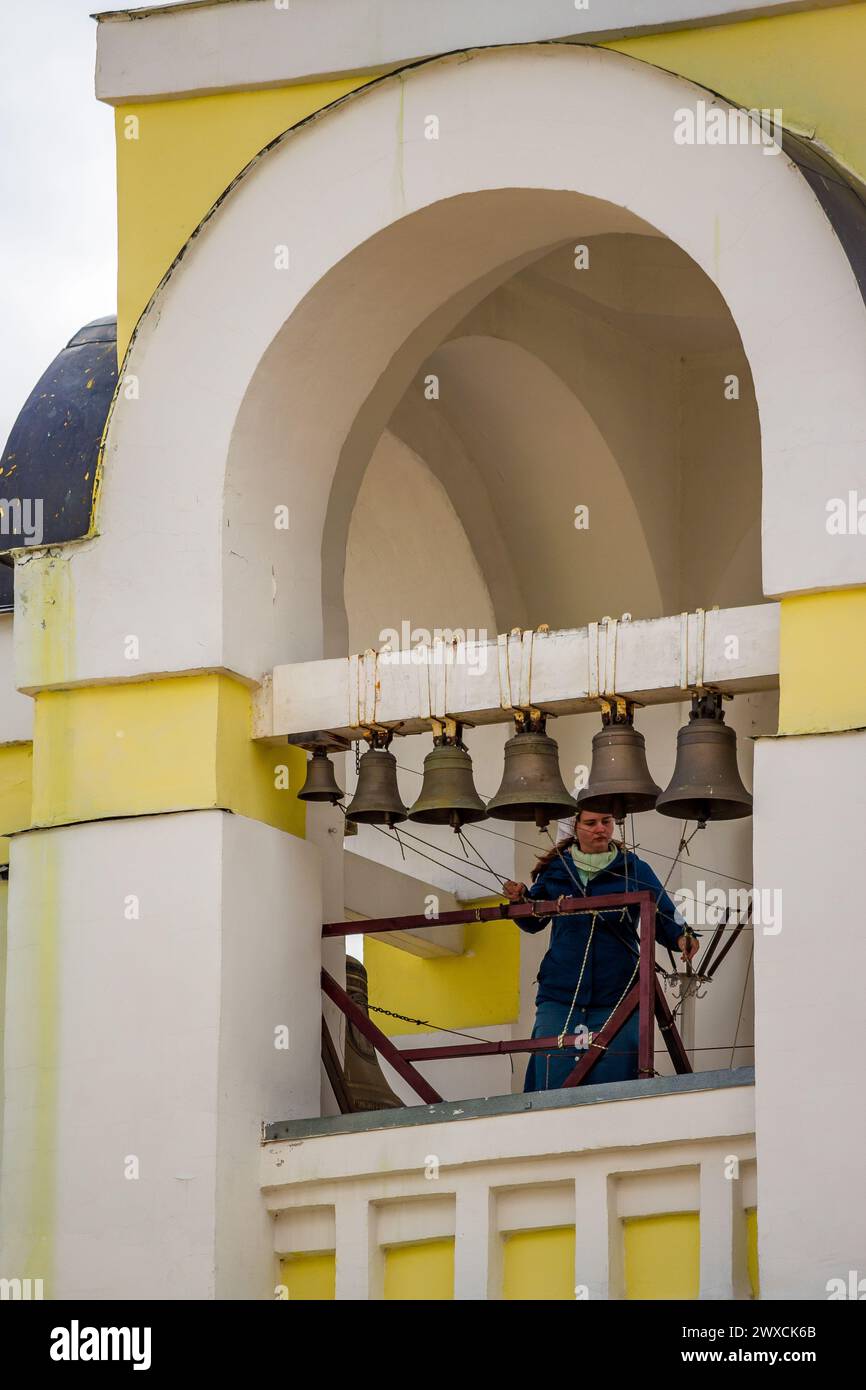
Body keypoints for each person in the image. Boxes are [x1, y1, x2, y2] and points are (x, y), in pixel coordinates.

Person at [504, 808, 699, 1091]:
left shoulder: (633, 868)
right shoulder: (557, 870)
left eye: (606, 822)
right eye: (591, 823)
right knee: (552, 1075)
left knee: (615, 1083)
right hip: (561, 994)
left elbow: (664, 911)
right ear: (575, 828)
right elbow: (533, 922)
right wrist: (521, 899)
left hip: (618, 995)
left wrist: (683, 935)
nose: (600, 829)